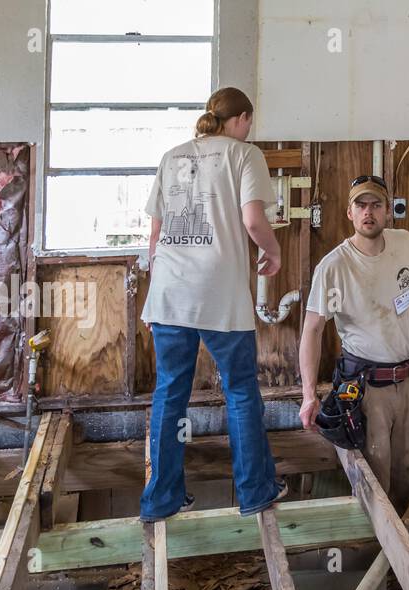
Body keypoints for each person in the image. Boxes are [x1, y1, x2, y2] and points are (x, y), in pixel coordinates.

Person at [139, 87, 286, 522]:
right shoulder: (243, 154)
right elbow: (253, 220)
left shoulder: (172, 157)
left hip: (169, 292)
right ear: (240, 119)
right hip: (218, 292)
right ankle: (254, 491)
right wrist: (273, 252)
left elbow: (155, 237)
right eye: (250, 122)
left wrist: (156, 296)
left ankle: (162, 499)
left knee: (170, 392)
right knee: (240, 390)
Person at [297, 175, 409, 512]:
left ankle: (406, 544)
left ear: (388, 212)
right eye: (361, 205)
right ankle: (384, 553)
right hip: (368, 388)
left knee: (406, 473)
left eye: (376, 205)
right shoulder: (334, 267)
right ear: (349, 213)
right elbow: (312, 330)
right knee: (378, 480)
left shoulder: (404, 242)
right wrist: (308, 394)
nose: (368, 212)